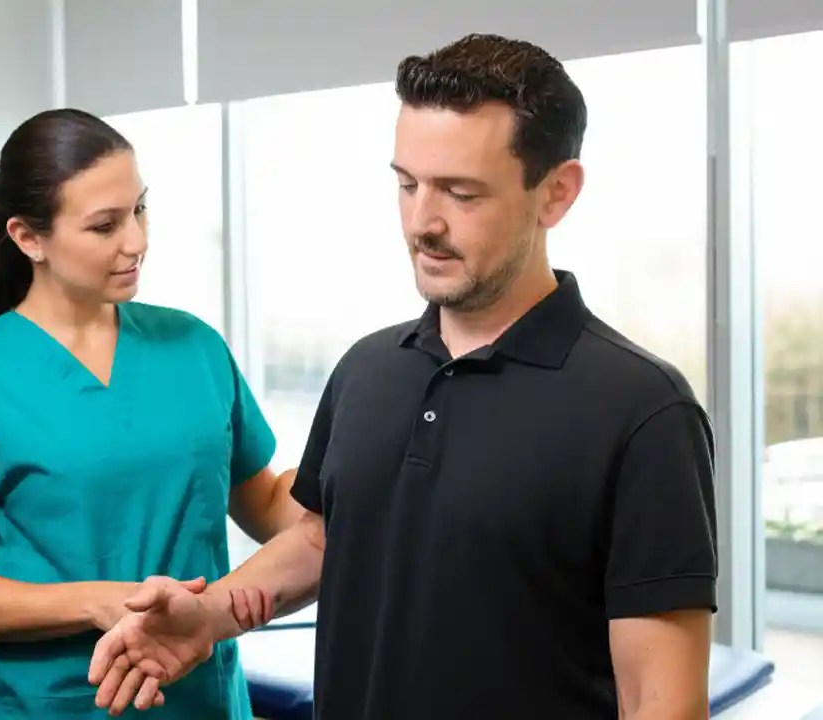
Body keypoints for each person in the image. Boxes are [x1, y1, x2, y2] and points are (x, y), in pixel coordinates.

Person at [88, 34, 719, 719]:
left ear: (556, 193)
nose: (422, 223)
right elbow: (324, 538)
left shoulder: (644, 412)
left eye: (461, 193)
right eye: (408, 184)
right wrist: (209, 615)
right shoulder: (366, 370)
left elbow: (660, 703)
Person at [0, 108, 298, 718]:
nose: (137, 240)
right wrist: (100, 602)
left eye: (140, 209)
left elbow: (264, 503)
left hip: (204, 700)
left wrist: (350, 486)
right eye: (105, 225)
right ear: (29, 238)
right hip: (55, 705)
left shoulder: (195, 346)